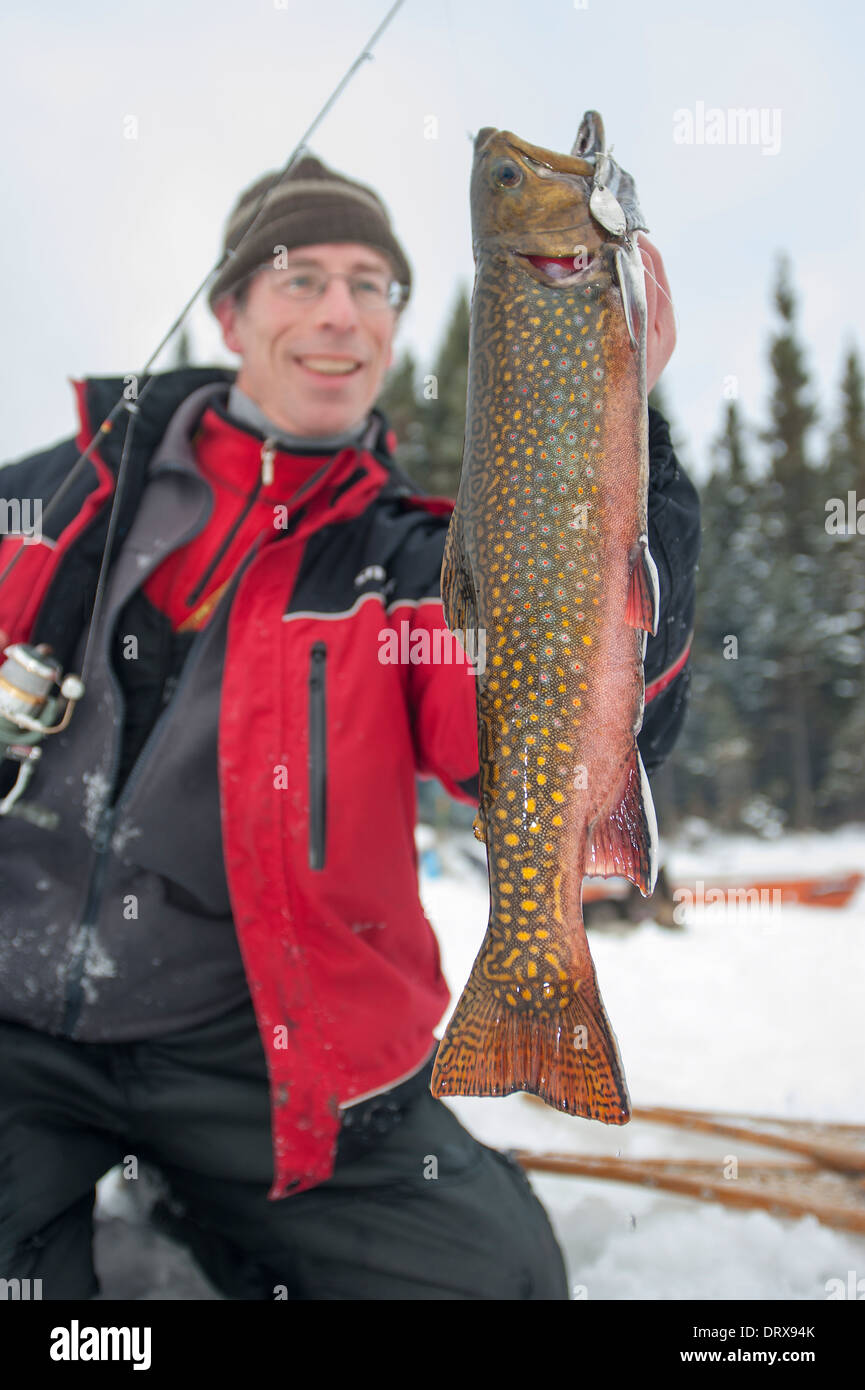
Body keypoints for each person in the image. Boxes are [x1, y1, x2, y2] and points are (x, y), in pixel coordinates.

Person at [0, 154, 699, 1301]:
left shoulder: (415, 568)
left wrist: (626, 427)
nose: (339, 312)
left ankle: (206, 1202)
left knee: (499, 1282)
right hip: (15, 1027)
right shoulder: (46, 502)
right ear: (229, 312)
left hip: (261, 1050)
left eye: (372, 285)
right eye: (299, 277)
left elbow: (586, 714)